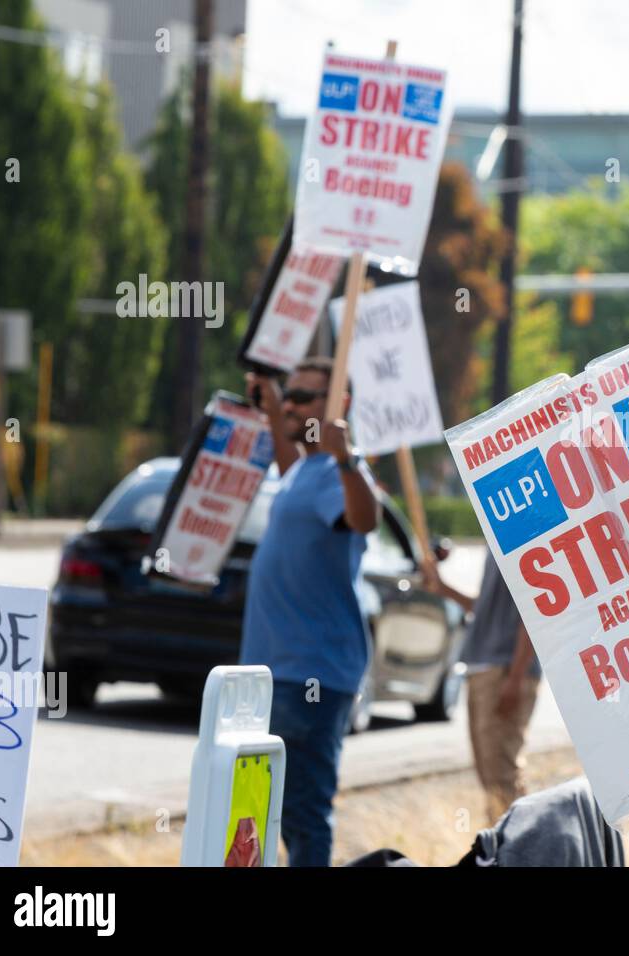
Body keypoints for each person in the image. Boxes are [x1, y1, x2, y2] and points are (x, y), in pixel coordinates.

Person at [240, 357, 378, 867]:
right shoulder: (304, 470)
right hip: (273, 671)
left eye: (304, 397)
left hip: (309, 677)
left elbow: (365, 520)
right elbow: (287, 465)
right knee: (257, 811)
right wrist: (276, 413)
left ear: (338, 404)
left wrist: (345, 459)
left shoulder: (340, 472)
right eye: (290, 394)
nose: (293, 403)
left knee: (300, 814)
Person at [424, 553, 541, 822]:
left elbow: (533, 609)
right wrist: (443, 589)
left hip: (505, 671)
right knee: (490, 778)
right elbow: (485, 609)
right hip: (484, 668)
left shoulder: (520, 533)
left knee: (502, 778)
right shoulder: (493, 543)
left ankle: (515, 851)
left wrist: (515, 677)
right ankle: (505, 848)